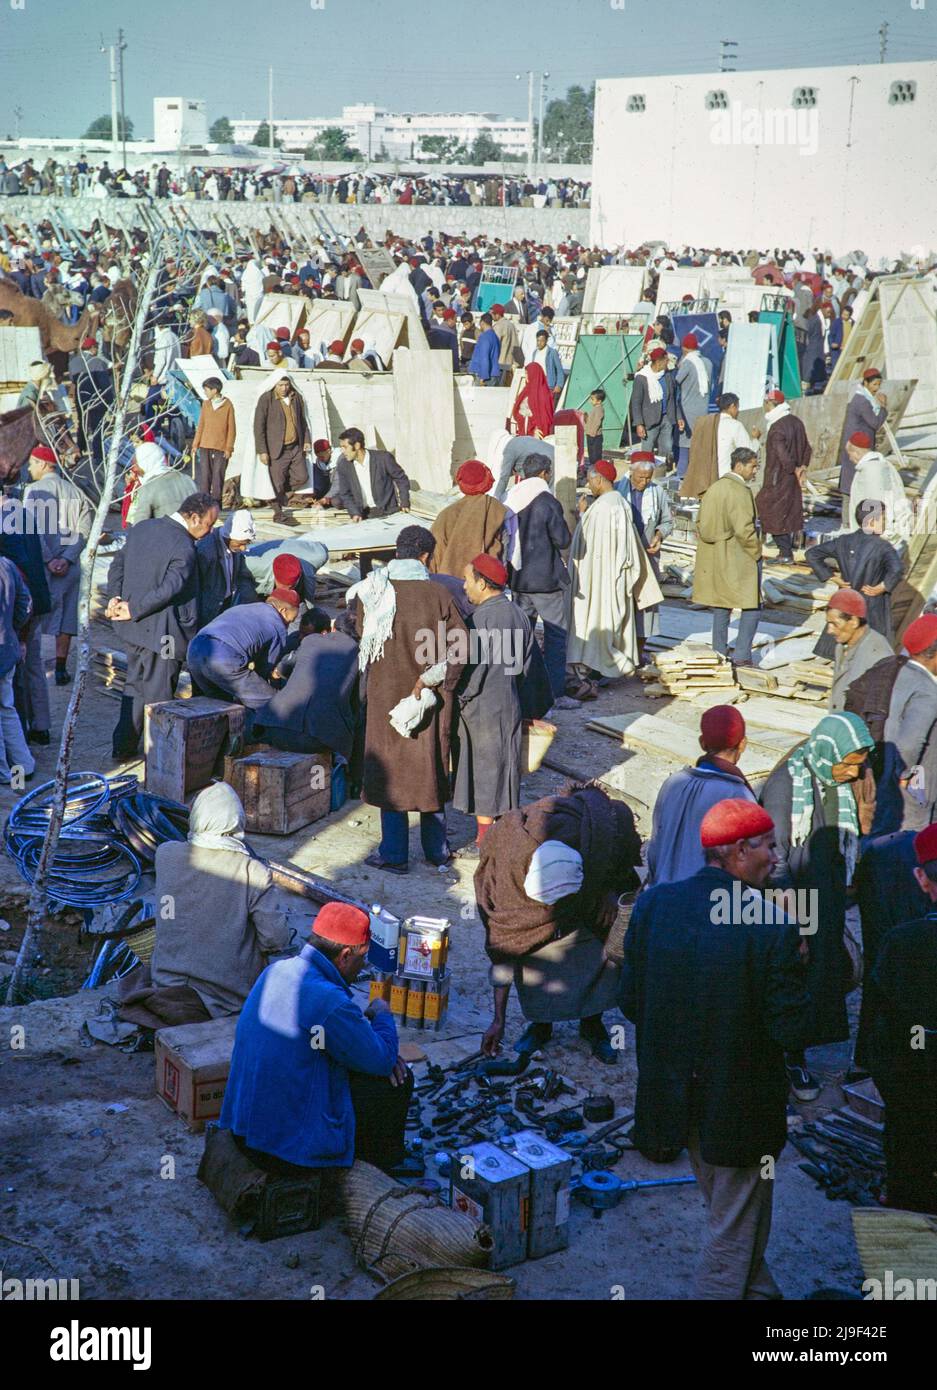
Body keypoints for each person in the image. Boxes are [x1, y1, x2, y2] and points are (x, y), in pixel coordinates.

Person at [621, 799, 810, 1299]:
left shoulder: (656, 903)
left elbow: (631, 1002)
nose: (775, 858)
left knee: (735, 1218)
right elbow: (790, 1029)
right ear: (739, 849)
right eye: (769, 847)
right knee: (731, 1234)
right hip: (738, 1110)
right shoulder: (772, 924)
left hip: (673, 1100)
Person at [220, 902, 413, 1177]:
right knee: (396, 1079)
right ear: (345, 955)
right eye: (363, 957)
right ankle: (379, 1169)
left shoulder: (276, 971)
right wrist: (381, 1015)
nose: (364, 966)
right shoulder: (330, 1001)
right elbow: (382, 1060)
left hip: (243, 1132)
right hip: (284, 1154)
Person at [477, 781, 641, 1065]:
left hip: (590, 892)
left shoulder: (596, 835)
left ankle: (592, 1022)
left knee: (601, 944)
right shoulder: (504, 881)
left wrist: (608, 890)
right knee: (533, 958)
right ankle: (542, 1024)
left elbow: (623, 848)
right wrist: (498, 1020)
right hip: (534, 909)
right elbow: (502, 955)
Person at [760, 712, 875, 1099]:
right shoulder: (786, 784)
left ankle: (802, 1046)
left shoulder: (832, 779)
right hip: (795, 902)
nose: (853, 773)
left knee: (820, 975)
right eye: (850, 763)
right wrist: (791, 924)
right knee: (792, 977)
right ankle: (789, 1059)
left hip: (824, 899)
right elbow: (774, 861)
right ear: (830, 752)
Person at [350, 525, 467, 874]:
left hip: (384, 695)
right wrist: (433, 677)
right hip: (427, 698)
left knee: (390, 771)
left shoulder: (372, 593)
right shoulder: (439, 595)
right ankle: (437, 852)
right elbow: (459, 648)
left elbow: (361, 634)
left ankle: (394, 853)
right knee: (430, 768)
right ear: (425, 557)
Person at [150, 783, 292, 1019]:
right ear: (237, 821)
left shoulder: (165, 854)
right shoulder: (253, 872)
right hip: (225, 1000)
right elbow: (275, 939)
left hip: (165, 983)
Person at [107, 493, 219, 758]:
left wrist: (116, 599)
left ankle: (122, 747)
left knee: (133, 685)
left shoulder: (142, 527)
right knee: (159, 697)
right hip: (162, 634)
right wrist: (133, 607)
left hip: (132, 628)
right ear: (193, 518)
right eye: (208, 524)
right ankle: (156, 756)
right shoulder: (184, 546)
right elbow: (170, 588)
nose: (210, 531)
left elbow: (117, 564)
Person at [868, 821, 937, 1214]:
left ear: (922, 879)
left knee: (912, 1199)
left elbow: (880, 1035)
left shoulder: (902, 944)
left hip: (913, 1101)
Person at [452, 554, 533, 856]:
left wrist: (462, 696)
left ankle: (485, 843)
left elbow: (474, 670)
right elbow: (525, 667)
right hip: (509, 701)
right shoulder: (519, 615)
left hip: (481, 706)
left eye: (467, 580)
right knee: (505, 769)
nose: (464, 586)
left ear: (483, 584)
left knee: (484, 771)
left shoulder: (479, 620)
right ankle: (503, 833)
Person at [646, 705, 757, 885]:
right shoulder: (739, 795)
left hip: (662, 897)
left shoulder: (672, 783)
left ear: (702, 743)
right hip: (709, 906)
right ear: (743, 744)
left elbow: (655, 850)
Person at [504, 454, 576, 709]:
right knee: (556, 637)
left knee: (520, 637)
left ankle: (519, 691)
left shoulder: (512, 499)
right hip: (546, 583)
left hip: (519, 580)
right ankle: (556, 694)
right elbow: (563, 541)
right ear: (545, 473)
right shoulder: (547, 502)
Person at [566, 460, 644, 680]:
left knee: (595, 619)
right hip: (612, 576)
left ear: (598, 479)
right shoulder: (619, 502)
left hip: (597, 579)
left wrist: (582, 516)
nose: (590, 486)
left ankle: (603, 664)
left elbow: (587, 543)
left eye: (591, 481)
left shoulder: (602, 508)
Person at [249, 607, 360, 760]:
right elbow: (360, 701)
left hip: (273, 724)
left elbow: (282, 668)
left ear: (333, 628)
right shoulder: (360, 654)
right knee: (335, 767)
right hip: (318, 737)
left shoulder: (310, 640)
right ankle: (338, 782)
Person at [22, 443, 92, 687]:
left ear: (42, 463)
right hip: (69, 566)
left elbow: (32, 531)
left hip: (42, 566)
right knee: (68, 615)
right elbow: (84, 531)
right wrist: (68, 558)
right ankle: (61, 668)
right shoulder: (76, 492)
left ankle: (35, 664)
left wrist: (49, 558)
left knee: (35, 613)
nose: (29, 469)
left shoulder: (33, 491)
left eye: (31, 463)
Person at [693, 446, 762, 668]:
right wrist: (757, 552)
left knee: (722, 605)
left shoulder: (714, 488)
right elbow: (744, 529)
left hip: (716, 557)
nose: (755, 472)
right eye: (753, 467)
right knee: (752, 605)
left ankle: (718, 652)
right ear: (739, 466)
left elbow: (699, 524)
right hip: (738, 557)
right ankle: (742, 655)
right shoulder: (739, 491)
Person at [874, 613, 937, 835]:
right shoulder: (928, 691)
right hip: (916, 784)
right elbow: (911, 743)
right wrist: (904, 775)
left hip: (887, 772)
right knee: (913, 838)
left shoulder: (899, 673)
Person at [807, 501, 903, 646]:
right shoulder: (883, 546)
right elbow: (897, 569)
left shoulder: (843, 541)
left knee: (842, 639)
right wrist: (883, 586)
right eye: (883, 519)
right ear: (871, 521)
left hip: (846, 599)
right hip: (872, 604)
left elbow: (812, 554)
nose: (885, 523)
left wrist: (832, 577)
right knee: (871, 645)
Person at [187, 588, 301, 709]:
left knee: (215, 706)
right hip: (223, 657)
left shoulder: (245, 608)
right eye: (290, 620)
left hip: (194, 649)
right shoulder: (277, 625)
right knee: (272, 703)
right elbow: (265, 668)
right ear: (282, 610)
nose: (288, 625)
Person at [615, 452, 672, 663]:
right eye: (640, 477)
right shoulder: (617, 491)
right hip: (623, 557)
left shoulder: (657, 493)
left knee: (645, 605)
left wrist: (659, 534)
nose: (644, 482)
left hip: (648, 557)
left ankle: (638, 653)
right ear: (631, 472)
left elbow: (667, 521)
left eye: (648, 477)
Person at [755, 390, 811, 563]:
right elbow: (807, 448)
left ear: (770, 404)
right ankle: (785, 550)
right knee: (785, 512)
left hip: (778, 477)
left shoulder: (776, 427)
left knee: (769, 510)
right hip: (790, 477)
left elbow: (783, 456)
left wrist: (792, 468)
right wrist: (802, 467)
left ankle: (785, 552)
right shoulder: (796, 422)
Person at [253, 370, 313, 526]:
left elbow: (303, 421)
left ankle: (283, 497)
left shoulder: (296, 398)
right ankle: (278, 513)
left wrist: (306, 440)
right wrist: (262, 450)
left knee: (302, 476)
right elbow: (258, 426)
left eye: (286, 384)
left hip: (295, 447)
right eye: (281, 385)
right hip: (276, 448)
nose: (284, 388)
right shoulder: (267, 399)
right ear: (275, 385)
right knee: (276, 482)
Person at [429, 459, 506, 578]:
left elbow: (434, 555)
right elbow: (505, 550)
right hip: (484, 586)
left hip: (447, 584)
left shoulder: (445, 515)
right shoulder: (496, 509)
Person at [823, 589, 894, 713]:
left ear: (854, 622)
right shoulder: (841, 646)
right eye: (828, 624)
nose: (829, 631)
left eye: (835, 624)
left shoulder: (878, 655)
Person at [680, 393, 762, 499]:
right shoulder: (735, 425)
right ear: (732, 406)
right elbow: (749, 452)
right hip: (725, 479)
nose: (738, 412)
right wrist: (755, 438)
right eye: (737, 408)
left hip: (703, 478)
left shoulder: (706, 423)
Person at [0, 553, 35, 786]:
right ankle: (24, 765)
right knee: (7, 709)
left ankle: (4, 772)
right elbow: (26, 604)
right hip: (7, 647)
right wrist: (12, 630)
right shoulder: (6, 564)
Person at [194, 509, 259, 630]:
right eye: (240, 543)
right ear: (230, 536)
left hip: (225, 604)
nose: (243, 548)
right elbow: (195, 585)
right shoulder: (207, 550)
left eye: (246, 543)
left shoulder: (234, 548)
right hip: (207, 610)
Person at [334, 426, 411, 522]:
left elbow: (401, 479)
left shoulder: (383, 458)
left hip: (389, 512)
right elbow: (345, 493)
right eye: (341, 448)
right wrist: (354, 513)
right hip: (364, 516)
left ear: (357, 446)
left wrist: (404, 502)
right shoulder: (344, 465)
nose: (342, 451)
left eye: (345, 447)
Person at [846, 433, 911, 545]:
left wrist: (873, 536)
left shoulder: (871, 471)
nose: (850, 459)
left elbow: (875, 505)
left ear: (856, 453)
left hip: (875, 535)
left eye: (850, 454)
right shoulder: (883, 465)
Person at [837, 369, 888, 509]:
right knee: (851, 487)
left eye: (879, 385)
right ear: (865, 383)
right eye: (874, 385)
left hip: (858, 447)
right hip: (856, 450)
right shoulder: (862, 402)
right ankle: (848, 522)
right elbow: (875, 423)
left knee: (853, 484)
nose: (876, 389)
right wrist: (883, 408)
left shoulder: (863, 399)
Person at [124, 441, 193, 527]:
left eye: (135, 464)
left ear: (146, 463)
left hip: (165, 536)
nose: (134, 469)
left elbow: (139, 526)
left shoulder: (148, 487)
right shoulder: (187, 479)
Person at [191, 376, 236, 504]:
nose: (205, 393)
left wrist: (229, 448)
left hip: (221, 448)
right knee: (205, 476)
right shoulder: (206, 404)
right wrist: (196, 444)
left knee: (218, 476)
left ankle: (216, 504)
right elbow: (201, 425)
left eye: (206, 390)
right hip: (205, 445)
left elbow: (232, 429)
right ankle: (204, 504)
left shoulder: (228, 405)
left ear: (214, 390)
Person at [630, 347, 677, 458]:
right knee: (647, 452)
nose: (668, 362)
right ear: (659, 362)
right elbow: (636, 403)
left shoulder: (667, 376)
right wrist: (639, 424)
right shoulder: (642, 378)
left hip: (666, 418)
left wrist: (677, 417)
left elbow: (673, 398)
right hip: (649, 421)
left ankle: (661, 472)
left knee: (667, 449)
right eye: (666, 360)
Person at [674, 333, 712, 468]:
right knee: (698, 444)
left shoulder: (688, 363)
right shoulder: (708, 363)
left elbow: (676, 381)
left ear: (684, 348)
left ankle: (681, 475)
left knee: (684, 445)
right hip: (703, 409)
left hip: (687, 410)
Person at [511, 362, 555, 439]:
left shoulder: (544, 394)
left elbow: (545, 420)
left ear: (534, 374)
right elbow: (516, 412)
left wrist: (534, 430)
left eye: (527, 373)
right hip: (525, 433)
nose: (526, 376)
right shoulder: (526, 390)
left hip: (537, 437)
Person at [468, 312, 501, 385]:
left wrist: (483, 376)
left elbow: (484, 357)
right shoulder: (495, 337)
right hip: (494, 373)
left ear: (482, 322)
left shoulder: (484, 337)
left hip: (485, 375)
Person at [584, 388, 605, 467]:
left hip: (595, 435)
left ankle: (597, 468)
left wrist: (592, 433)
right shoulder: (595, 409)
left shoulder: (599, 409)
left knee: (596, 454)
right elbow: (590, 421)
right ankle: (593, 467)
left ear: (599, 401)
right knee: (591, 453)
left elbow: (597, 422)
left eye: (592, 399)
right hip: (591, 434)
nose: (590, 401)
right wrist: (586, 417)